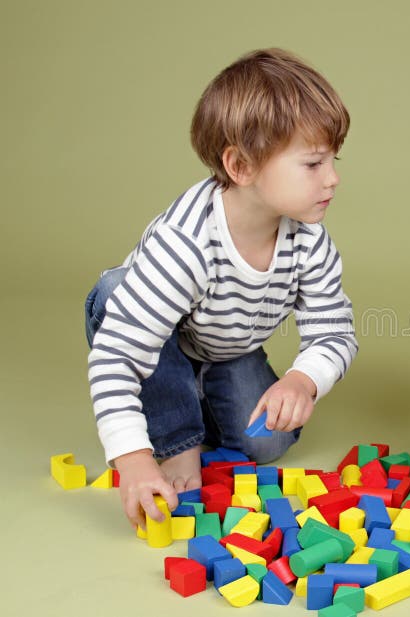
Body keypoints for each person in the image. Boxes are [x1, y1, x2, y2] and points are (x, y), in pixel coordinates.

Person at [85, 49, 357, 531]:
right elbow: (116, 357)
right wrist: (133, 458)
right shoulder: (185, 243)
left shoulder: (309, 238)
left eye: (333, 160)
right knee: (116, 292)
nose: (333, 178)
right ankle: (177, 436)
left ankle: (194, 393)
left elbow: (335, 331)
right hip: (155, 335)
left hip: (225, 346)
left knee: (267, 444)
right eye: (313, 164)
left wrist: (303, 380)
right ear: (241, 166)